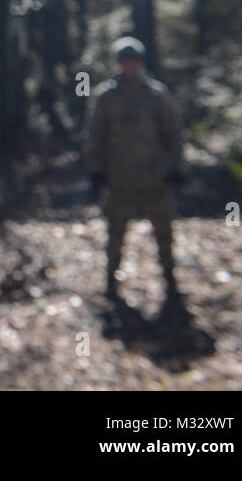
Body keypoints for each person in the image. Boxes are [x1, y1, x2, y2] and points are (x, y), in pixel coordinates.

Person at [84, 36, 185, 312]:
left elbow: (173, 133)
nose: (129, 65)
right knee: (115, 233)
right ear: (119, 63)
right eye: (125, 61)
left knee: (164, 233)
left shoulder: (156, 94)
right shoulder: (106, 96)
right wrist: (95, 172)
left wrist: (177, 168)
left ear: (140, 63)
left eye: (134, 60)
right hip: (119, 179)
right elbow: (96, 136)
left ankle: (170, 281)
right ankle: (110, 284)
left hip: (156, 177)